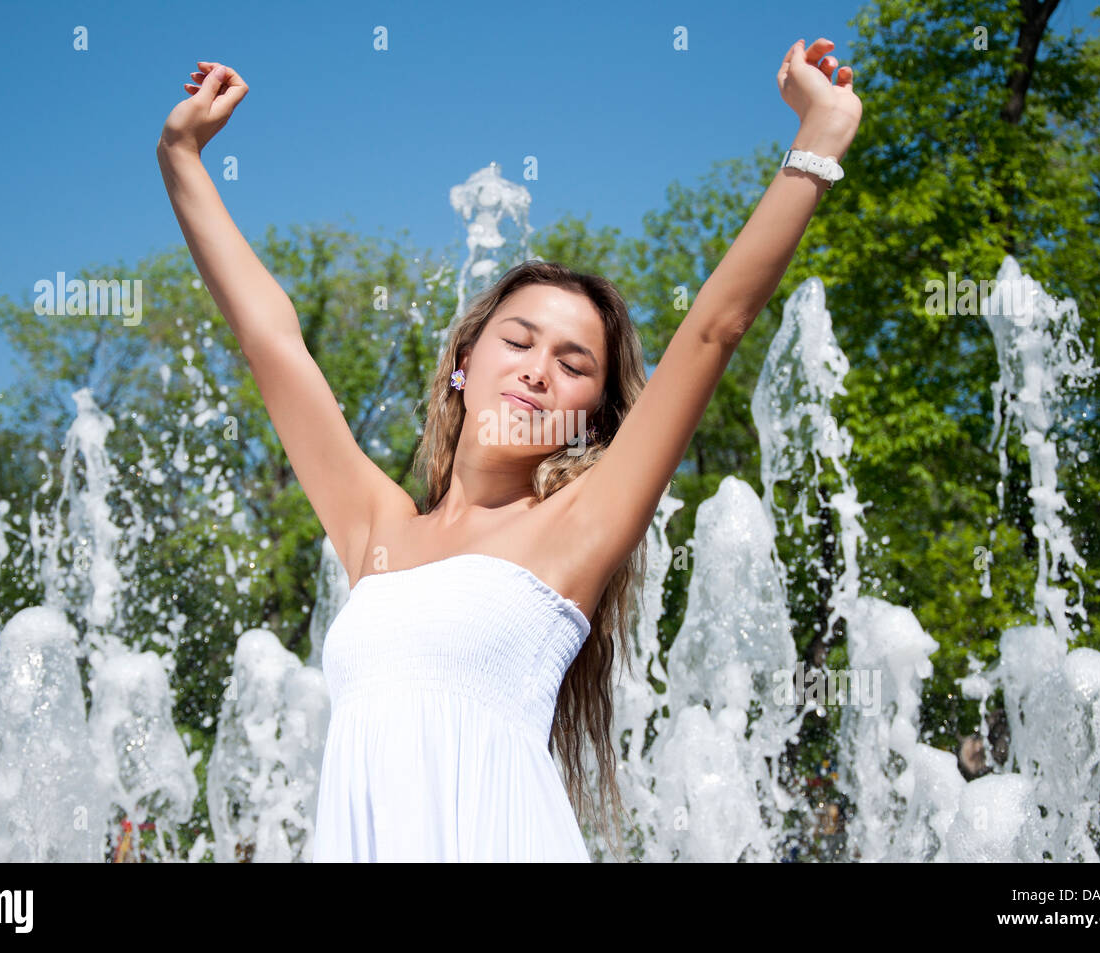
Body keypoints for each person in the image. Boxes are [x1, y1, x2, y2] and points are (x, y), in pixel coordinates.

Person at [157, 39, 862, 862]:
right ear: (464, 362)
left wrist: (821, 134)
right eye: (518, 341)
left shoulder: (575, 530)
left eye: (574, 365)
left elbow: (715, 327)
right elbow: (271, 338)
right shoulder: (374, 528)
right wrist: (181, 157)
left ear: (590, 419)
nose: (536, 371)